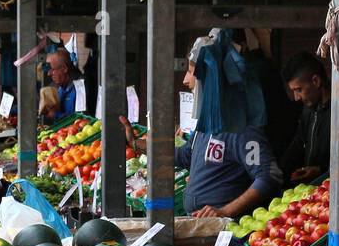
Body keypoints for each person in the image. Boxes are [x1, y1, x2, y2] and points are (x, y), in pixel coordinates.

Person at [119, 55, 282, 219]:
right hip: (201, 225)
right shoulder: (207, 123)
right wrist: (136, 144)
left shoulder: (242, 129)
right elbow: (185, 155)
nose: (185, 80)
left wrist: (226, 211)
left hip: (225, 231)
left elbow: (268, 177)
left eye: (190, 72)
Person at [279, 52, 331, 184]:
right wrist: (277, 171)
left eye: (299, 90)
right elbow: (299, 141)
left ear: (316, 81)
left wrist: (321, 170)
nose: (296, 97)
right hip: (310, 193)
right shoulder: (309, 109)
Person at [38, 49, 79, 121]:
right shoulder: (60, 88)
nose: (49, 74)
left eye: (52, 69)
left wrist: (55, 115)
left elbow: (81, 120)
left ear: (64, 68)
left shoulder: (80, 89)